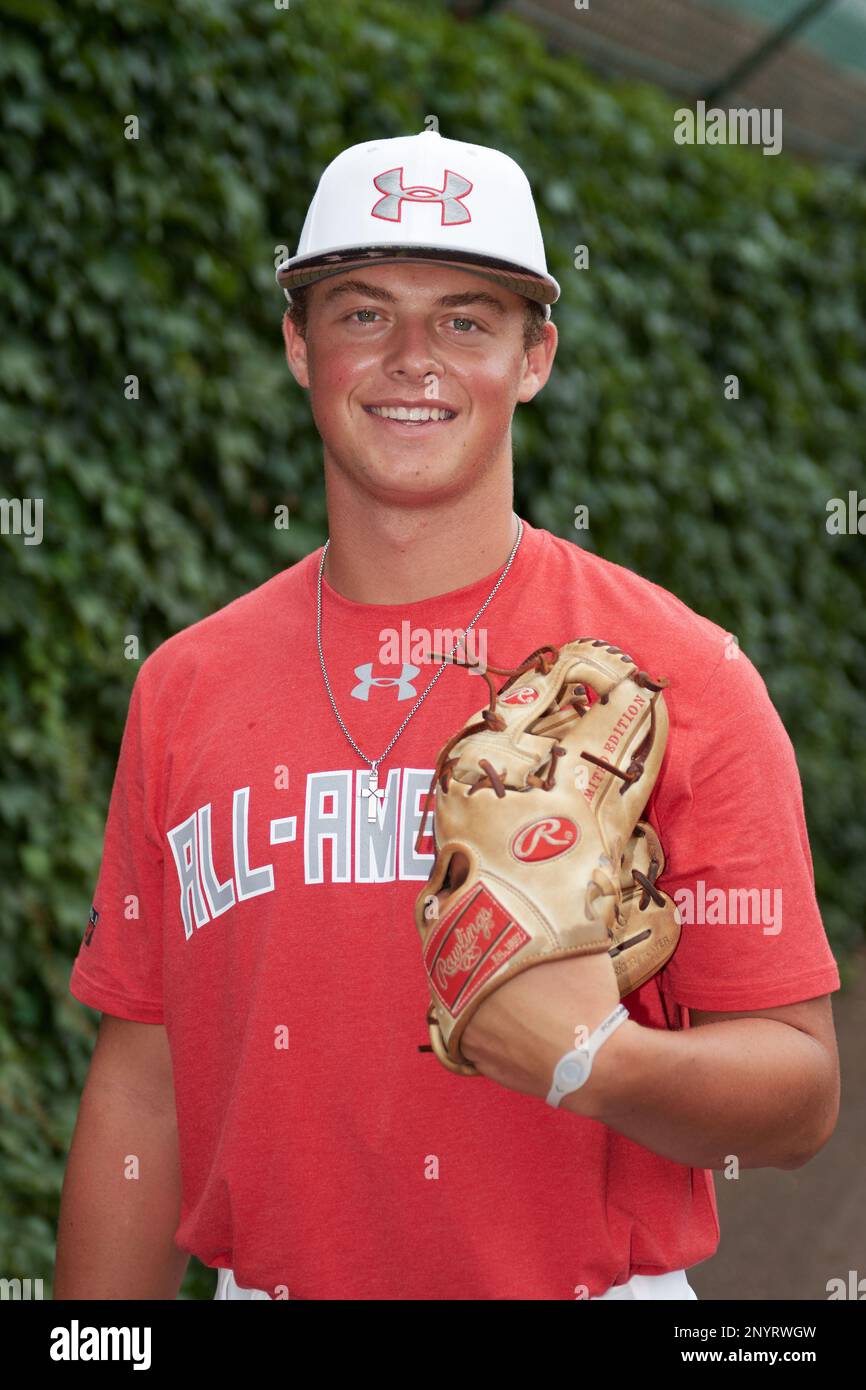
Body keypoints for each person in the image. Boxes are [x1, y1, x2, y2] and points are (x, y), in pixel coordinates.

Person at [57, 129, 841, 1302]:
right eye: (362, 313)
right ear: (296, 344)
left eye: (467, 320)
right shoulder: (186, 683)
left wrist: (596, 1059)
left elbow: (798, 1096)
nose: (412, 358)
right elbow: (143, 1084)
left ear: (535, 356)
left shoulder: (673, 672)